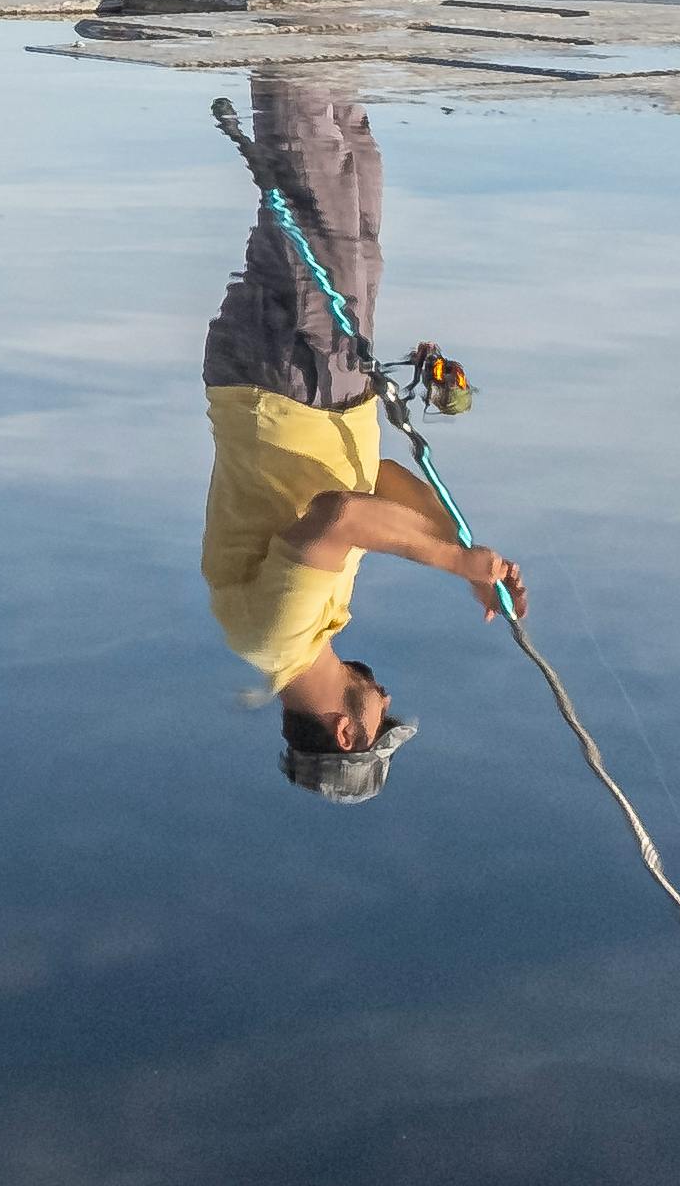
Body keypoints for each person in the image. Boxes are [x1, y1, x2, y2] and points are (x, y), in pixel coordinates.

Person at [201, 74, 518, 799]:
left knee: (317, 197)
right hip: (320, 393)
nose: (386, 698)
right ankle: (330, 49)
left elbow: (342, 518)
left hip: (282, 385)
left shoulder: (275, 637)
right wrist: (466, 550)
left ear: (348, 733)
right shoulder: (316, 624)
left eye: (385, 718)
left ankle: (292, 40)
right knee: (354, 195)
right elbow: (369, 482)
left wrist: (452, 562)